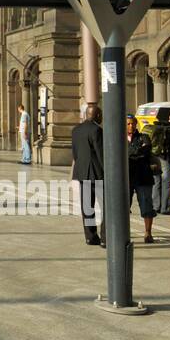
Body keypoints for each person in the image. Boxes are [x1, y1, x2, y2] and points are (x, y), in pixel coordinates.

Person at [71, 104, 104, 246]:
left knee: (87, 207)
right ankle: (105, 237)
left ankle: (90, 236)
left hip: (82, 172)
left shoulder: (76, 130)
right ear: (97, 116)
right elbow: (101, 153)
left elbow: (75, 153)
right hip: (97, 174)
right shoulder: (97, 130)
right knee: (106, 207)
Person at [127, 114, 158, 243]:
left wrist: (131, 153)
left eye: (133, 123)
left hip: (143, 177)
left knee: (146, 205)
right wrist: (136, 152)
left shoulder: (144, 137)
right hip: (126, 178)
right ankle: (124, 231)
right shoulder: (118, 138)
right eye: (128, 123)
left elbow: (145, 150)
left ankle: (148, 233)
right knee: (123, 207)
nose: (131, 126)